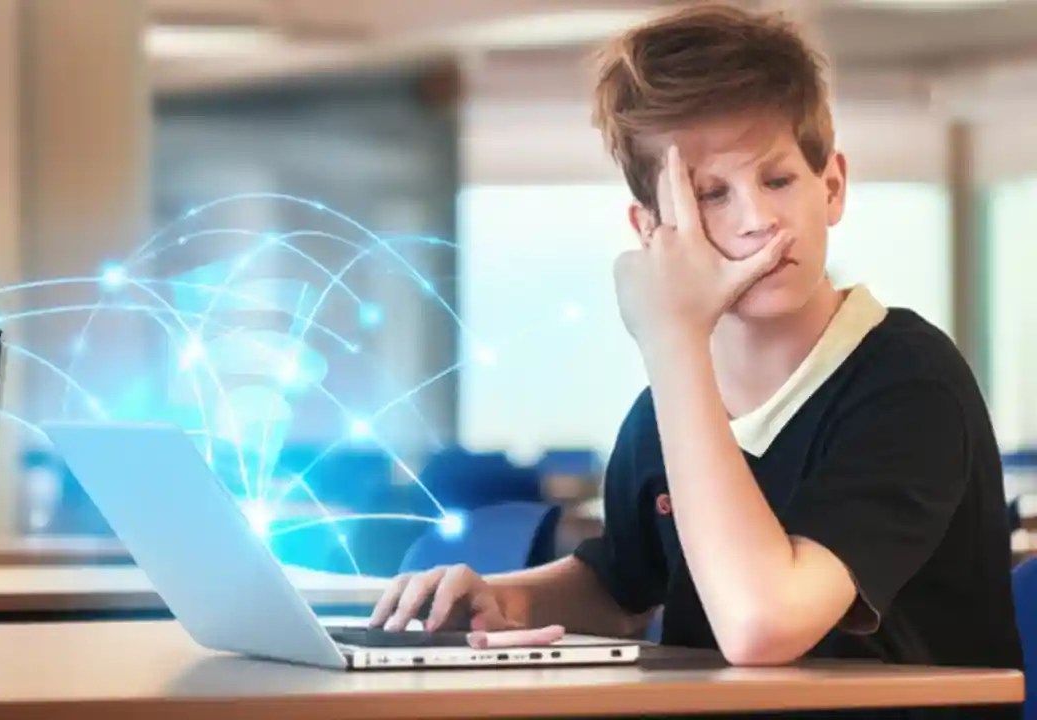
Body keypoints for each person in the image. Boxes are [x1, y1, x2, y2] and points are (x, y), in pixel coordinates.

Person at [370, 2, 1022, 716]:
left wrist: (672, 335)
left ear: (831, 187)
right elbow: (622, 586)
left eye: (777, 181)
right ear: (653, 230)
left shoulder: (908, 382)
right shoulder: (668, 412)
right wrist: (504, 598)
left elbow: (761, 623)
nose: (757, 220)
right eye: (711, 194)